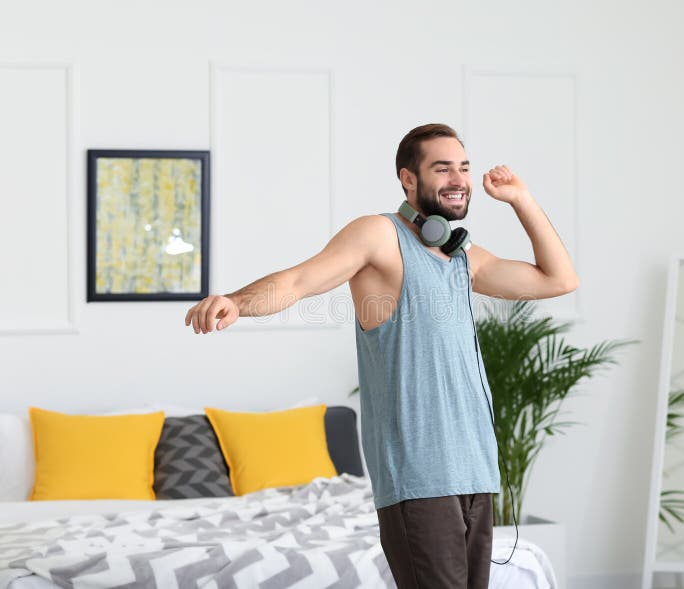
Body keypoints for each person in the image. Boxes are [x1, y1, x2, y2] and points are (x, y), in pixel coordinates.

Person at [184, 123, 579, 588]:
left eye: (464, 168)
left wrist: (521, 199)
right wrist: (236, 301)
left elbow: (559, 280)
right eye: (442, 168)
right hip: (420, 477)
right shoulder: (379, 235)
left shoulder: (462, 257)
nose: (458, 179)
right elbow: (297, 281)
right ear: (408, 179)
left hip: (475, 473)